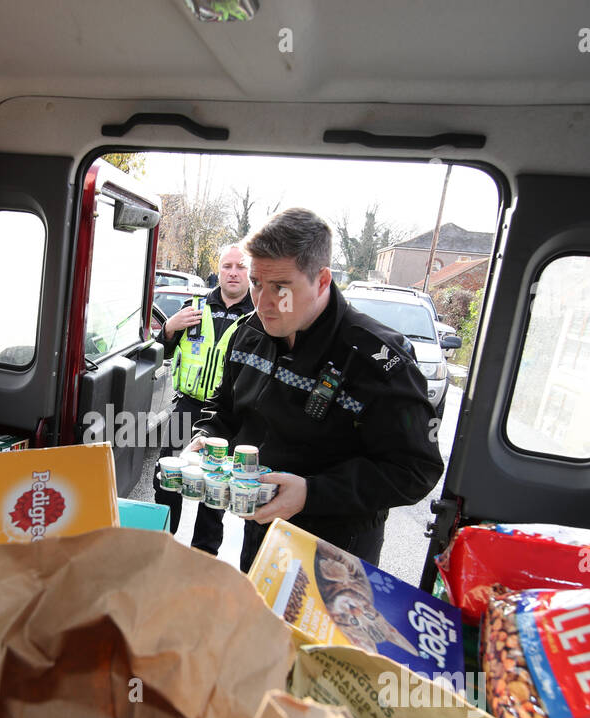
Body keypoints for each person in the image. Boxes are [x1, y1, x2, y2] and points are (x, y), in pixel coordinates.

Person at [186, 208, 444, 572]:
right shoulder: (249, 332)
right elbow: (225, 405)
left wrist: (312, 493)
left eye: (281, 288)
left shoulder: (376, 359)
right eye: (257, 283)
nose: (263, 302)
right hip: (261, 532)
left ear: (322, 281)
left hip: (335, 549)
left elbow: (417, 469)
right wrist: (208, 434)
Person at [152, 242, 253, 554]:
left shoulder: (259, 316)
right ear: (218, 270)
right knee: (167, 481)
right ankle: (161, 549)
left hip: (226, 417)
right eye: (227, 266)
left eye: (241, 267)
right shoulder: (194, 307)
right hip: (187, 407)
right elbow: (162, 354)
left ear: (250, 272)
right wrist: (168, 329)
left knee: (214, 493)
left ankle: (202, 556)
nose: (233, 273)